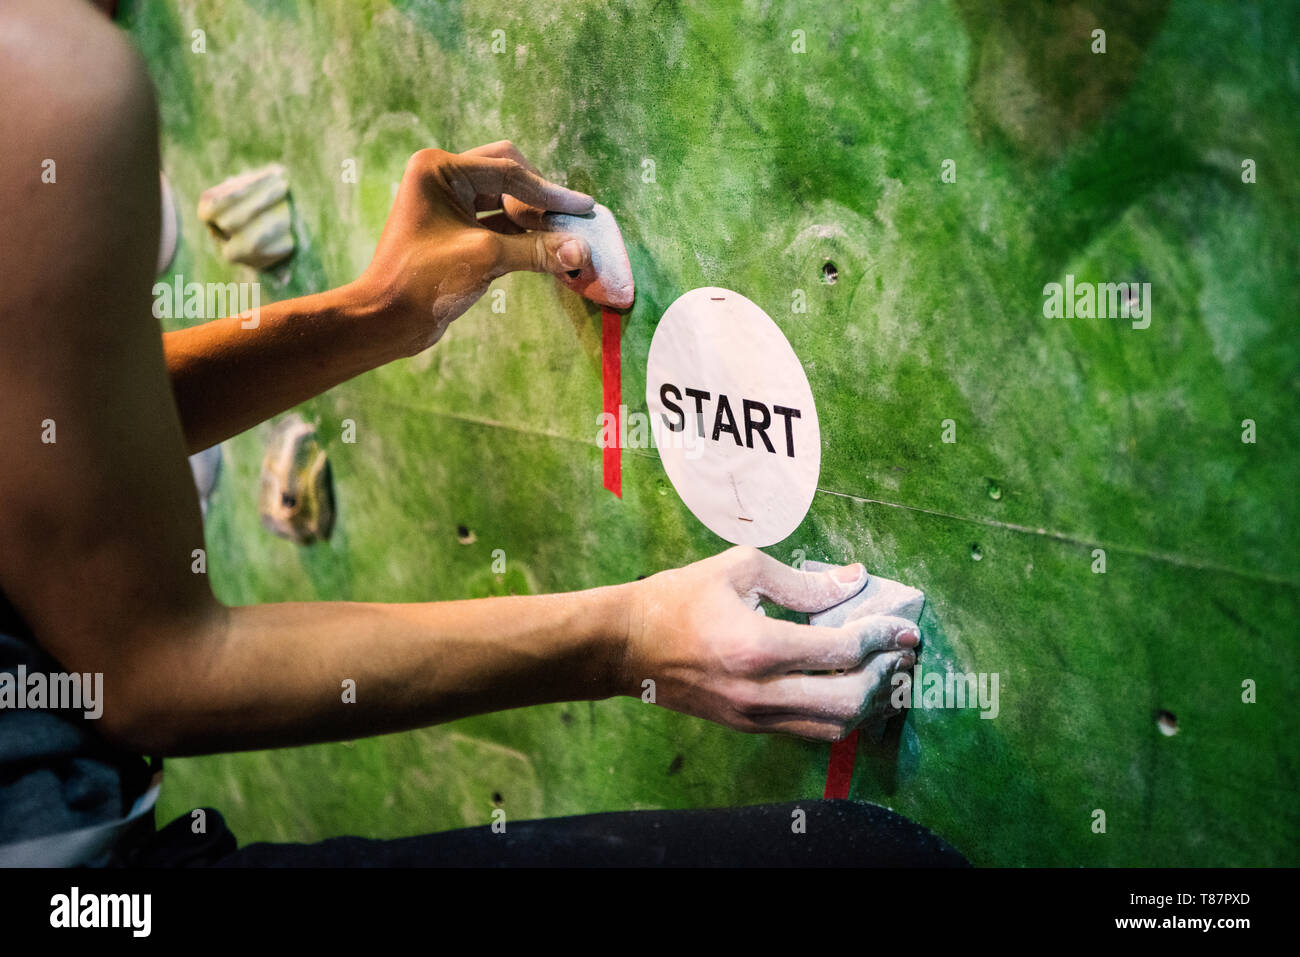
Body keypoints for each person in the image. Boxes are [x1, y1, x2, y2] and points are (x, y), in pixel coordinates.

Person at [0, 0, 960, 866]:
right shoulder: (49, 74)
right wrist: (628, 641)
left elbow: (52, 433)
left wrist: (375, 312)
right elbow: (153, 672)